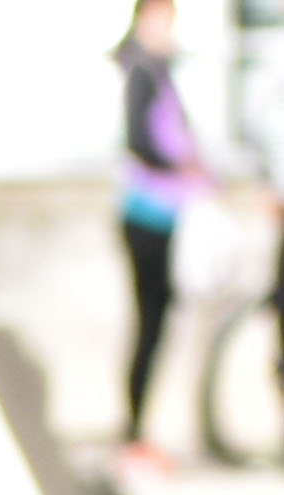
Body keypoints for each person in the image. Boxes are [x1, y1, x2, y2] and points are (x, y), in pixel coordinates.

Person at [119, 0, 208, 465]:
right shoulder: (141, 71)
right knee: (149, 322)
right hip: (147, 215)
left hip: (167, 214)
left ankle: (139, 430)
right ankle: (133, 434)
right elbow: (139, 140)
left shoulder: (161, 72)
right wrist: (183, 166)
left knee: (159, 322)